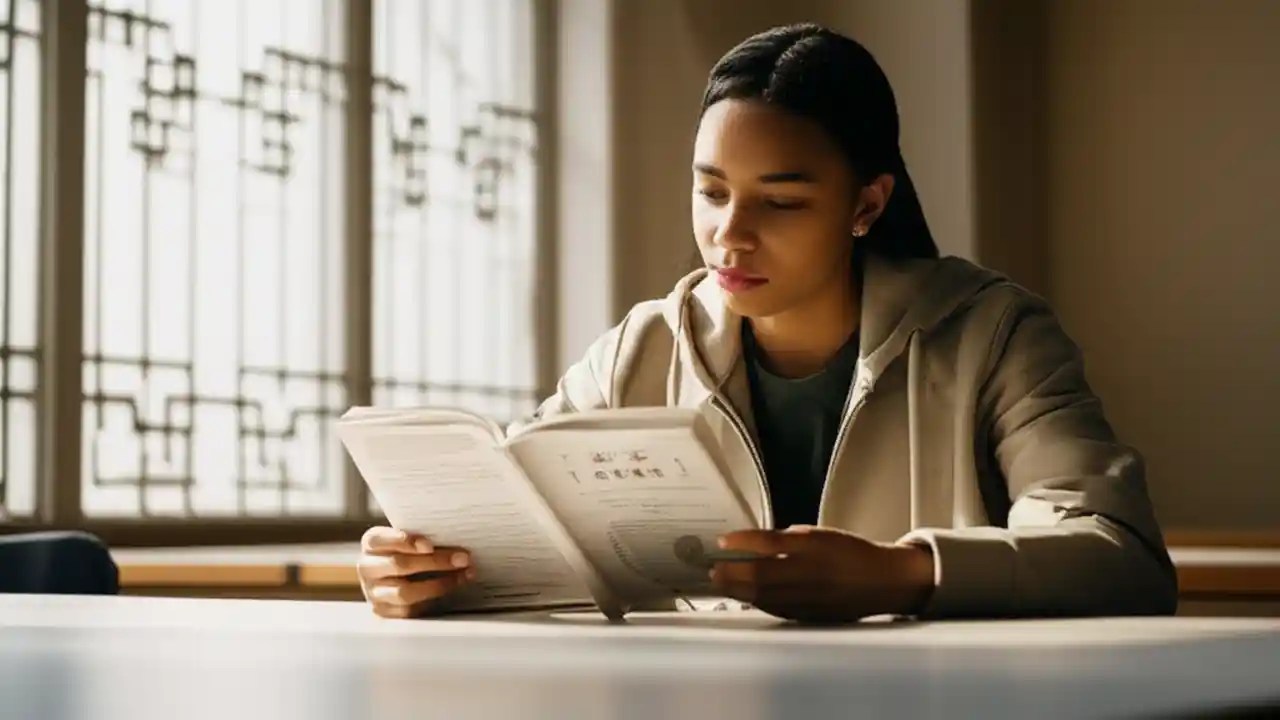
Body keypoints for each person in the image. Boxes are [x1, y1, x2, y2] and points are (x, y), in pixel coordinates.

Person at [358, 24, 1177, 622]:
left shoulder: (993, 334)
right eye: (711, 191)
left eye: (780, 201)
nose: (730, 232)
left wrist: (905, 574)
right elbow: (522, 532)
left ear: (867, 204)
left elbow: (1121, 556)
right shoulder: (645, 346)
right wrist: (427, 572)